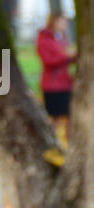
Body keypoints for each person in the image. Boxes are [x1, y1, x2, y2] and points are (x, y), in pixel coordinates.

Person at [36, 11, 76, 145]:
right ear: (54, 21)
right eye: (62, 21)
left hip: (65, 83)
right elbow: (48, 60)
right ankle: (51, 144)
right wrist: (68, 56)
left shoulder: (61, 38)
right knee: (56, 118)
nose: (65, 24)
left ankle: (68, 144)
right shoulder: (44, 39)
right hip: (53, 85)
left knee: (70, 116)